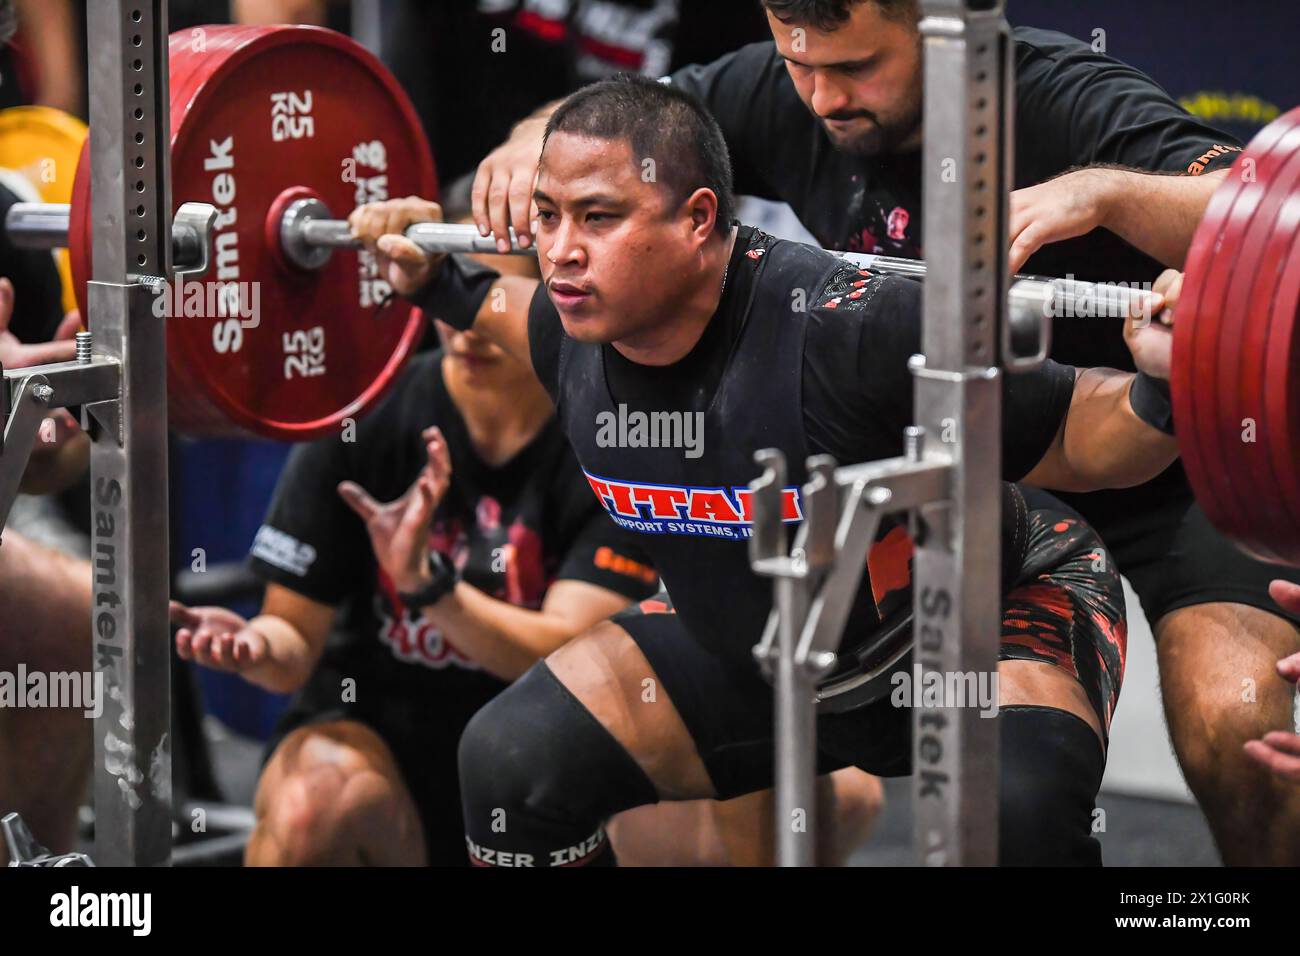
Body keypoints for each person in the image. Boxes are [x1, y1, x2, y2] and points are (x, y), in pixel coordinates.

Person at [470, 0, 1300, 866]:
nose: (823, 98)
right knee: (534, 752)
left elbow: (1270, 218)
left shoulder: (1057, 94)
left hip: (1163, 448)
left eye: (857, 68)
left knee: (1235, 729)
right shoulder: (788, 86)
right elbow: (627, 121)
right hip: (967, 469)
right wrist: (536, 148)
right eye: (802, 65)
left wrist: (1108, 191)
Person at [347, 73, 1187, 865]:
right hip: (764, 652)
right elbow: (488, 304)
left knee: (1012, 818)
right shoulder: (567, 335)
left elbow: (1091, 442)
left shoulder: (847, 330)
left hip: (978, 626)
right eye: (547, 216)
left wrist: (1162, 379)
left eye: (598, 218)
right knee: (512, 762)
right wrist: (426, 276)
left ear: (699, 219)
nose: (560, 252)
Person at [170, 311, 880, 866]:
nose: (466, 322)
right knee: (309, 807)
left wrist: (430, 587)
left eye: (491, 295)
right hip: (384, 739)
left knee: (815, 792)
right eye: (450, 292)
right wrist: (252, 645)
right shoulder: (367, 419)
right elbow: (292, 646)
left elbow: (562, 649)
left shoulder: (619, 433)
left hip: (560, 746)